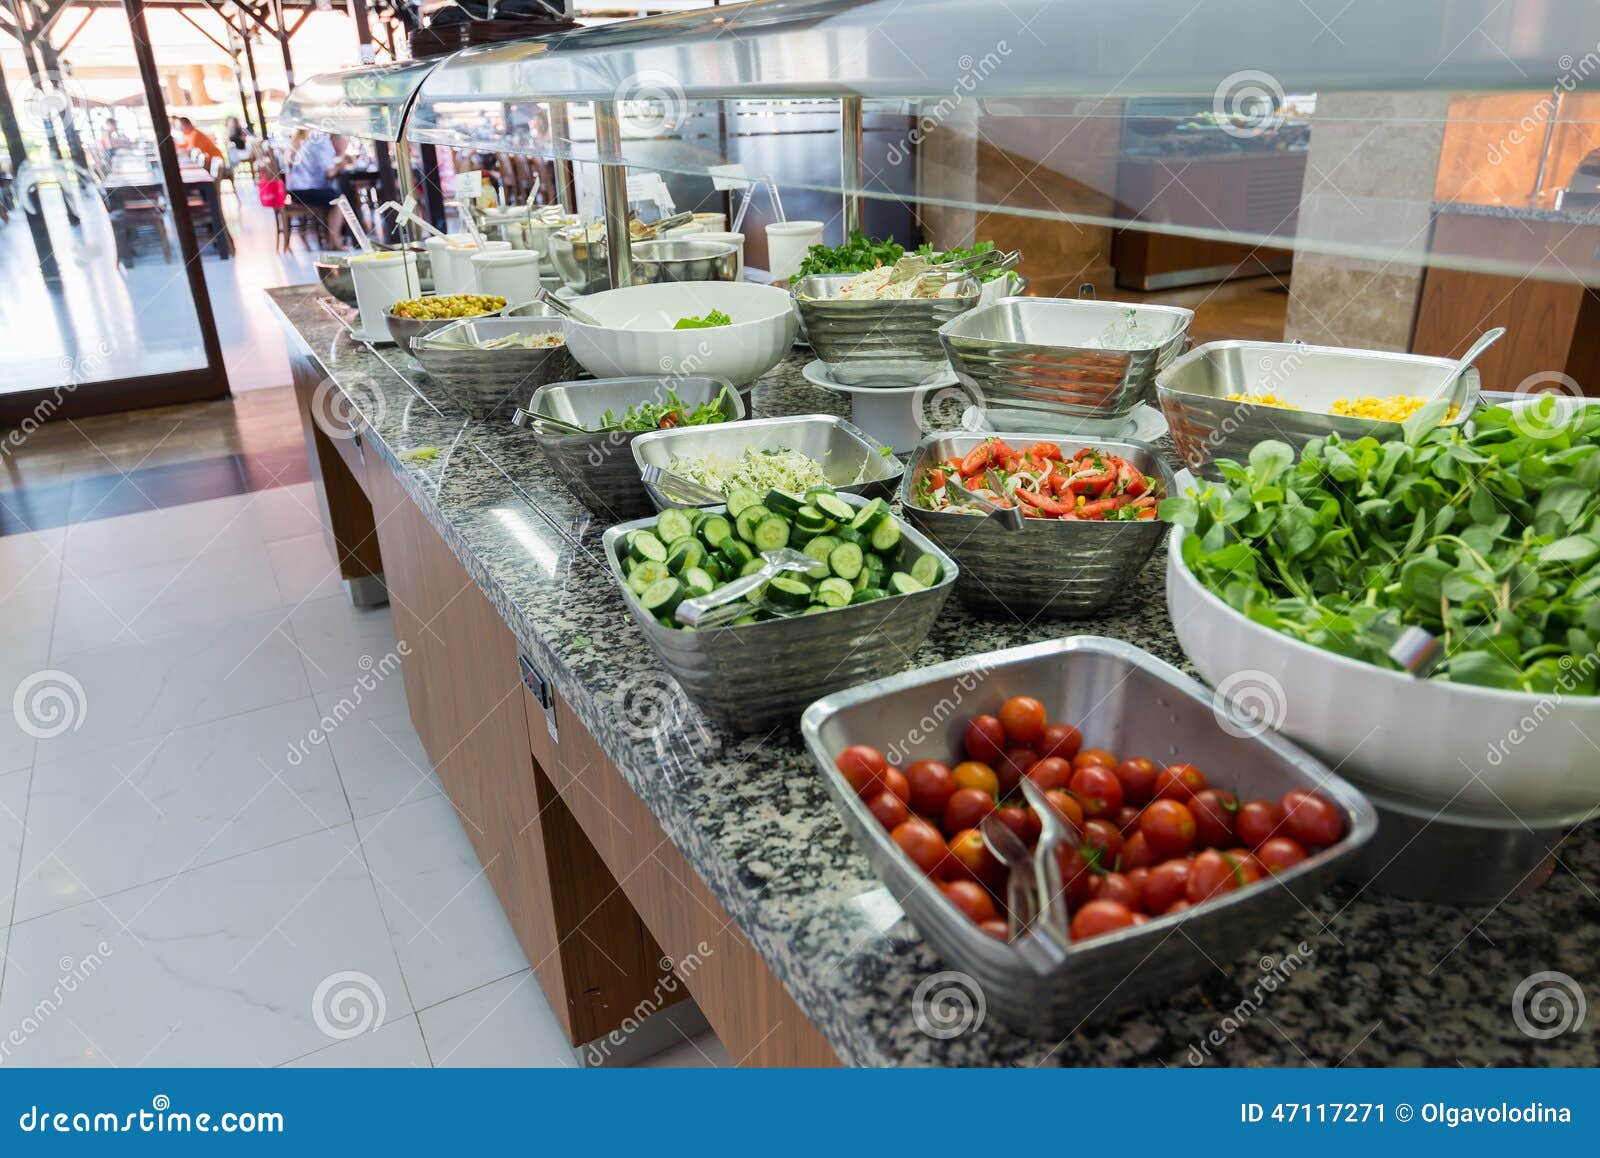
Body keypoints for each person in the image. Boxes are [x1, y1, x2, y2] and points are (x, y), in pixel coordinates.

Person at [286, 127, 351, 248]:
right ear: (337, 139)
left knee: (335, 195)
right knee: (339, 199)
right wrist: (342, 163)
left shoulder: (318, 140)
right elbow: (329, 173)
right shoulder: (323, 143)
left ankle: (335, 240)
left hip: (297, 189)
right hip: (302, 190)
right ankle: (335, 243)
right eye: (344, 144)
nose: (344, 148)